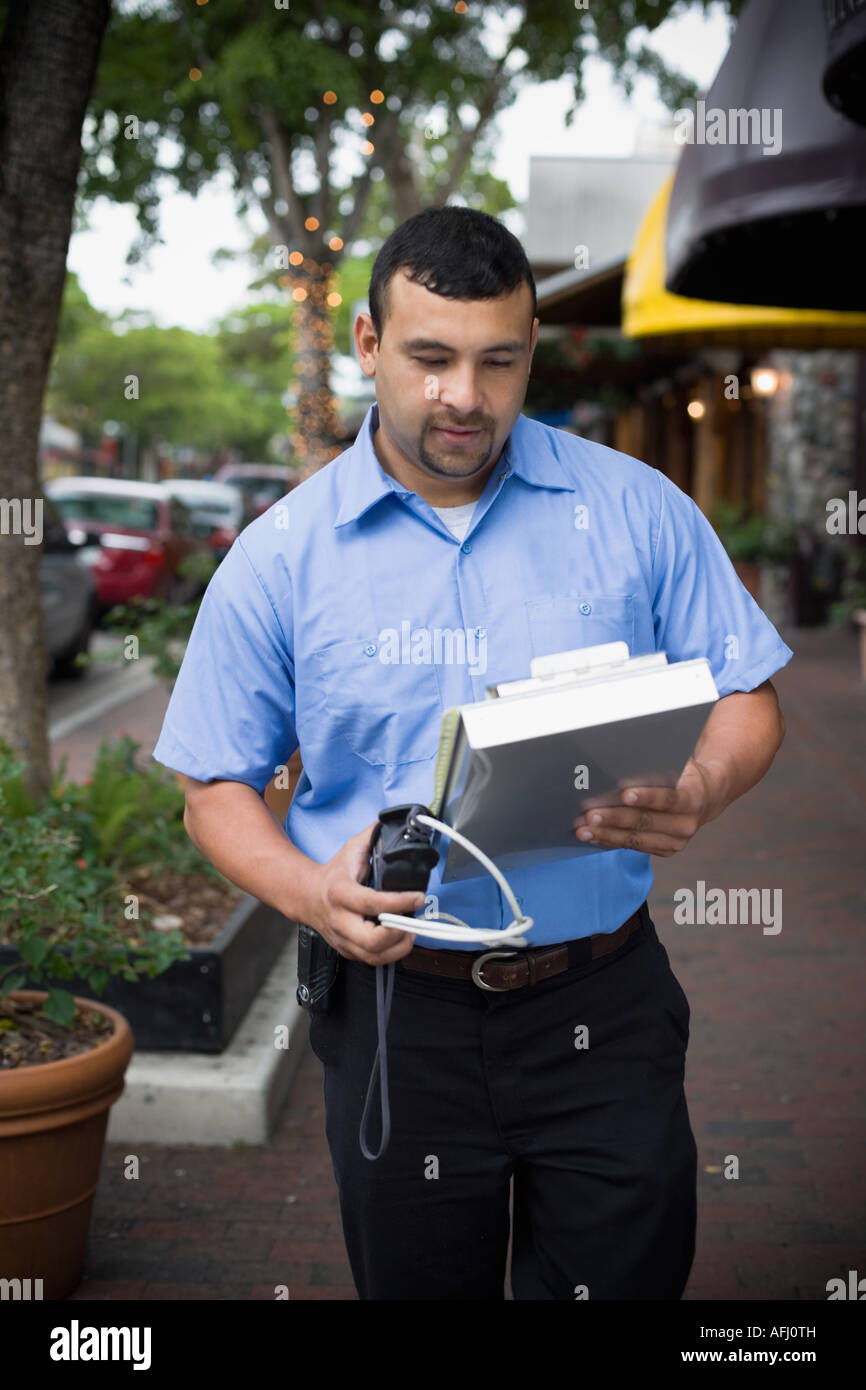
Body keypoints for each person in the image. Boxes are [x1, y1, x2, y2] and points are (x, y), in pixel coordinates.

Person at [152, 205, 792, 1301]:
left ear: (530, 347)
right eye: (430, 357)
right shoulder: (280, 558)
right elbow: (213, 785)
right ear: (366, 344)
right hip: (399, 1016)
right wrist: (309, 890)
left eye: (498, 360)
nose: (464, 395)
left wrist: (700, 783)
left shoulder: (637, 508)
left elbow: (748, 691)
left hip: (604, 1003)